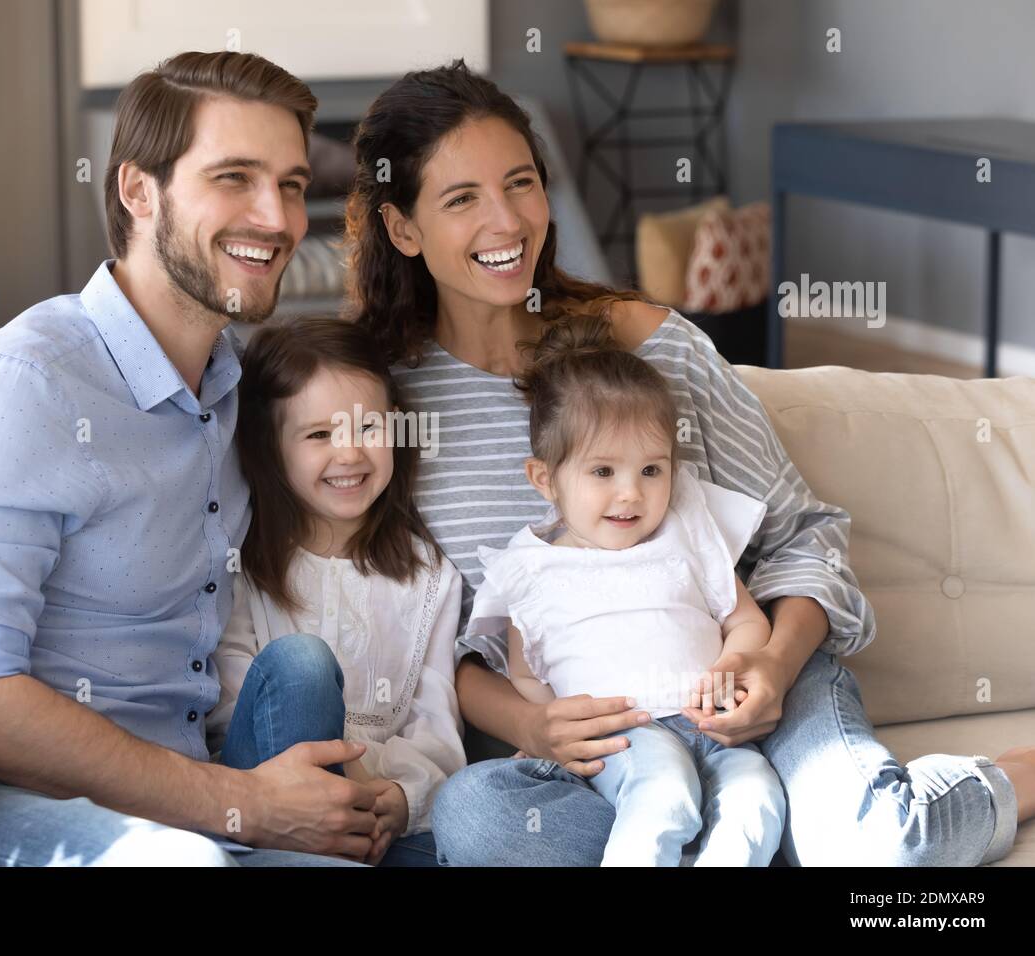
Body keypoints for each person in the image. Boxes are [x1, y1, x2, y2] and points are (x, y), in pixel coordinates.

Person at [344, 59, 1029, 865]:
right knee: (479, 822)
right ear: (403, 228)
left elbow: (803, 537)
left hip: (741, 687)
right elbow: (422, 635)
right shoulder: (382, 404)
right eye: (462, 199)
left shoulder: (650, 345)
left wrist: (769, 666)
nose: (508, 221)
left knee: (881, 850)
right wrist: (531, 725)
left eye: (521, 183)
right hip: (586, 751)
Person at [0, 51, 381, 867]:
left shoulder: (240, 390)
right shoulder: (26, 386)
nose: (278, 219)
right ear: (139, 192)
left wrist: (338, 792)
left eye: (289, 183)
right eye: (235, 178)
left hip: (178, 789)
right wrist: (243, 802)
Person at [469, 316, 784, 865]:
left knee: (758, 799)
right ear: (544, 479)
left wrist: (733, 663)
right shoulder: (530, 569)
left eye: (650, 469)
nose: (630, 493)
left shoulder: (686, 530)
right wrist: (546, 729)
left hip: (714, 724)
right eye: (602, 472)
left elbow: (748, 621)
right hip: (625, 734)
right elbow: (526, 675)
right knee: (665, 796)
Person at [209, 316, 465, 866]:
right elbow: (232, 712)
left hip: (384, 820)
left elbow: (437, 724)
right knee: (301, 663)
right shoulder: (240, 564)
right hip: (269, 797)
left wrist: (400, 796)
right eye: (320, 435)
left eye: (367, 428)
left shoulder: (429, 576)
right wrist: (340, 781)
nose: (349, 454)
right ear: (270, 447)